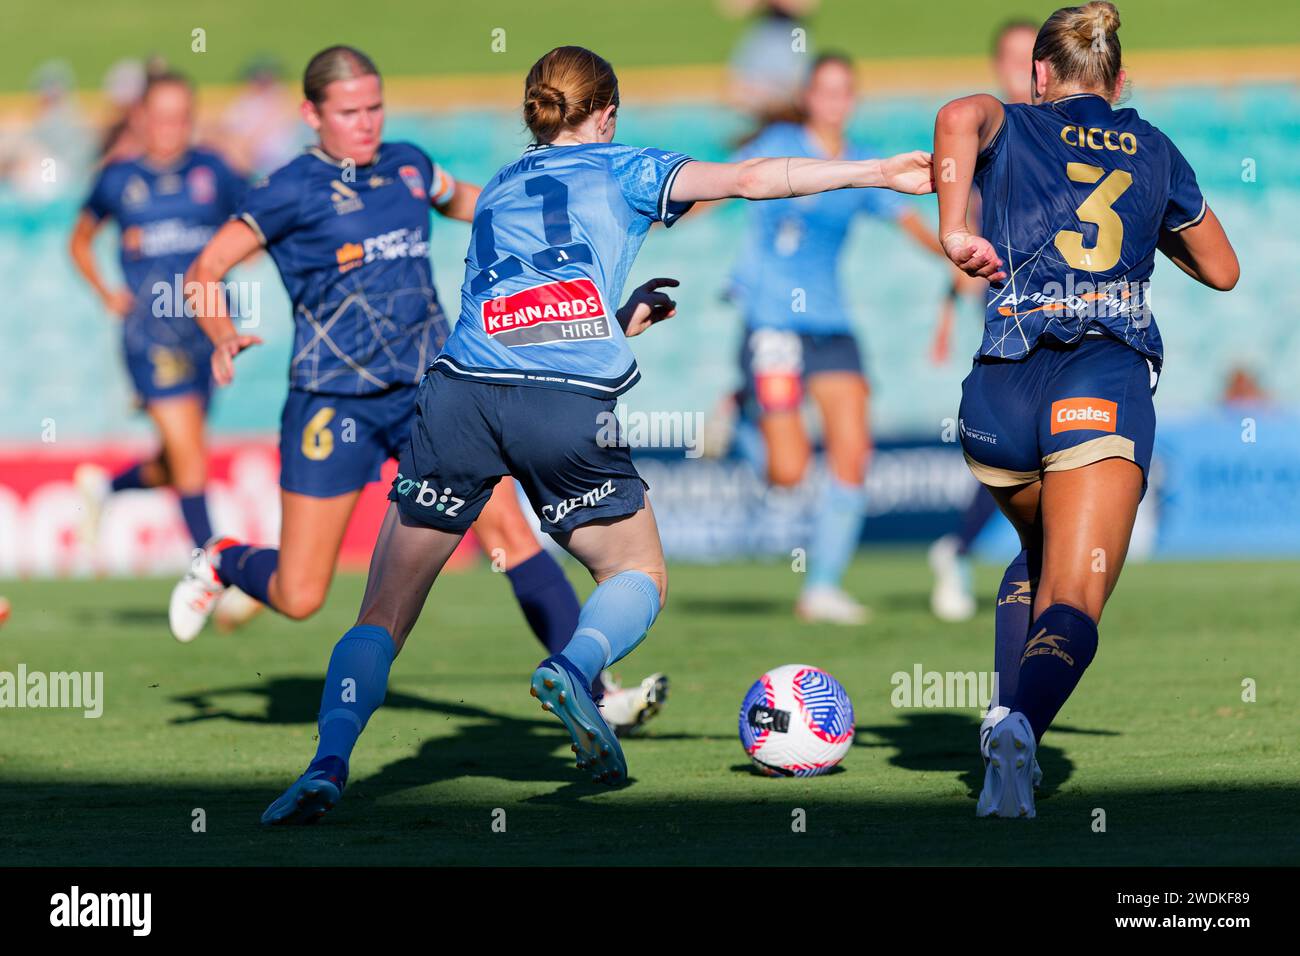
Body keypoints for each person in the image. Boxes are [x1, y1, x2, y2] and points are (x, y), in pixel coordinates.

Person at [260, 44, 932, 824]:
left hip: (458, 398)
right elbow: (752, 179)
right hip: (566, 407)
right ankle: (575, 670)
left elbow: (522, 312)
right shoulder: (627, 166)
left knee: (381, 613)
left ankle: (328, 764)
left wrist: (620, 321)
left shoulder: (501, 186)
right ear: (608, 112)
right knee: (637, 571)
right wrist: (878, 170)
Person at [169, 46, 667, 734]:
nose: (366, 124)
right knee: (302, 593)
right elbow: (205, 268)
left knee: (511, 537)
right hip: (331, 400)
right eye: (349, 112)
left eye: (375, 107)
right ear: (312, 114)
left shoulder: (408, 165)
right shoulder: (288, 189)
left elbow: (481, 205)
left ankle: (591, 687)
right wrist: (220, 331)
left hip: (434, 393)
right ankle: (224, 558)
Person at [934, 1, 1238, 817]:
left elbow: (956, 114)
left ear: (1039, 75)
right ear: (1120, 79)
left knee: (1036, 558)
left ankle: (1007, 748)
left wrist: (952, 228)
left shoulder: (1008, 124)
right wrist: (1150, 223)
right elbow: (1223, 270)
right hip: (1097, 382)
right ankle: (1020, 726)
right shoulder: (1155, 148)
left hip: (996, 397)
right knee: (1075, 593)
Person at [728, 52, 961, 625]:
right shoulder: (780, 142)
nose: (834, 101)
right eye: (825, 90)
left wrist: (957, 255)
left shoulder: (863, 163)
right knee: (787, 473)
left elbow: (910, 227)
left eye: (843, 91)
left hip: (831, 324)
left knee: (854, 454)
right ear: (809, 97)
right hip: (773, 323)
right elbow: (719, 187)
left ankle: (822, 588)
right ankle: (741, 409)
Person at [69, 73, 245, 560]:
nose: (171, 127)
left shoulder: (216, 171)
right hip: (150, 337)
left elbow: (255, 223)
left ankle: (107, 488)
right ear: (141, 118)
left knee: (175, 462)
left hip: (206, 333)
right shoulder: (118, 179)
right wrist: (107, 292)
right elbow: (79, 240)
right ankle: (215, 569)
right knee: (190, 455)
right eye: (162, 116)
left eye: (182, 116)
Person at [928, 18, 1039, 623]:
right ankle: (964, 549)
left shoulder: (1066, 130)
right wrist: (947, 313)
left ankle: (962, 548)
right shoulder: (990, 132)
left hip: (1069, 297)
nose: (1023, 69)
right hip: (1009, 297)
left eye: (1032, 57)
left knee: (1031, 437)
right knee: (1024, 433)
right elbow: (961, 221)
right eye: (1013, 57)